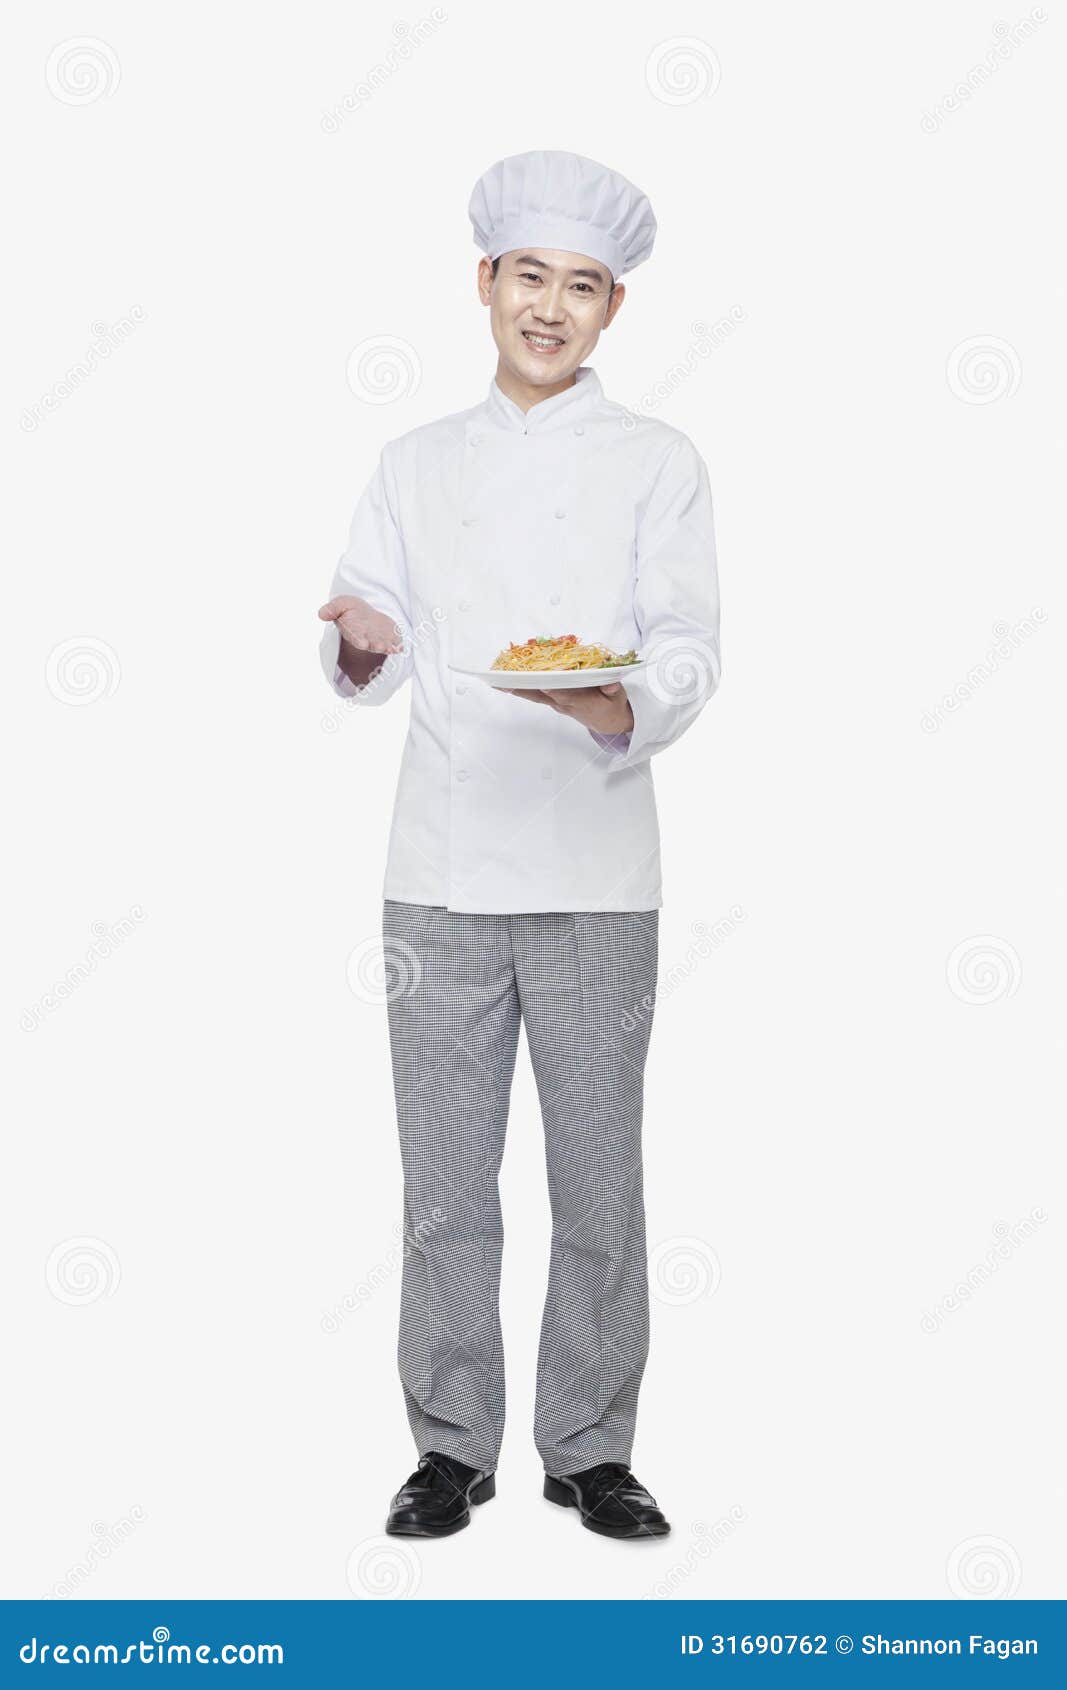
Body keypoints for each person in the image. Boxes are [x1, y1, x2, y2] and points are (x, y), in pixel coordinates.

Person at [318, 150, 721, 1541]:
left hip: (601, 875)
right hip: (438, 872)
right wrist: (358, 643)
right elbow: (363, 622)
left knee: (600, 1177)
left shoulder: (659, 462)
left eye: (584, 287)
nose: (552, 307)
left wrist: (620, 694)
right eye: (530, 278)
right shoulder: (412, 464)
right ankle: (450, 1444)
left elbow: (687, 646)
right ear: (486, 285)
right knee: (444, 1186)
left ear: (613, 310)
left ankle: (592, 1447)